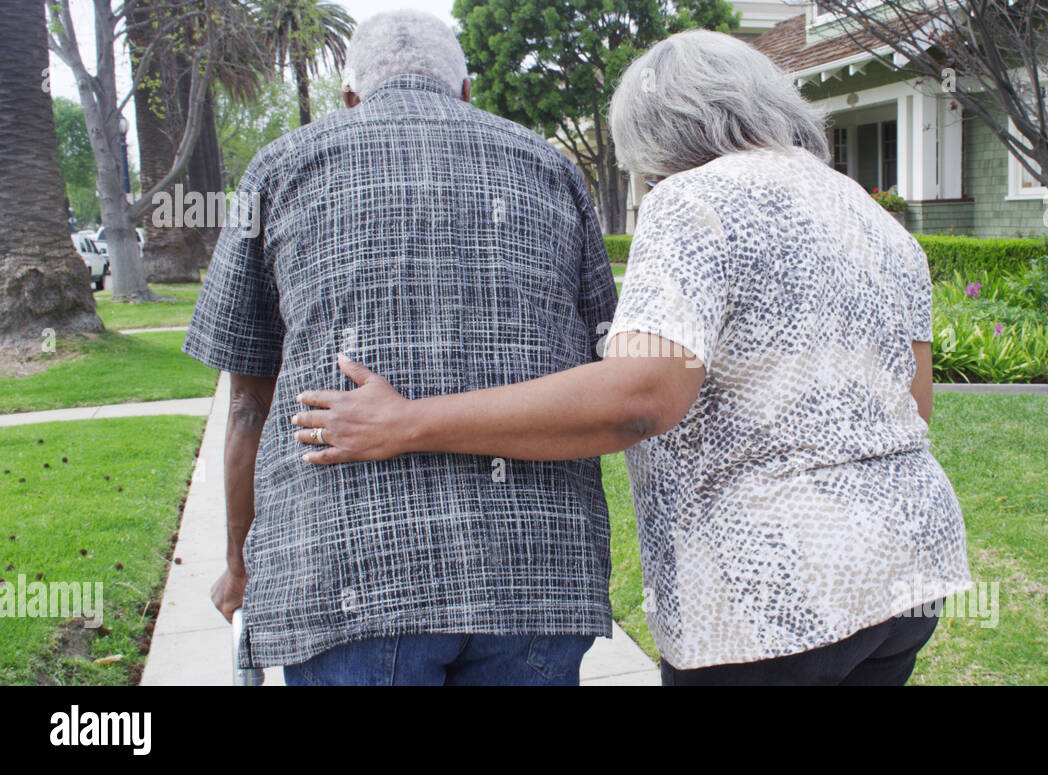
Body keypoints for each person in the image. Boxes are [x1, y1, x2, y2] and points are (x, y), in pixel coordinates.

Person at [290, 29, 972, 686]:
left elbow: (639, 400)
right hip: (908, 569)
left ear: (654, 132)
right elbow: (913, 403)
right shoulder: (875, 218)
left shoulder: (692, 199)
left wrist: (408, 421)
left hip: (773, 600)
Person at [182, 10, 617, 686]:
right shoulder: (554, 171)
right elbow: (605, 378)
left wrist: (239, 564)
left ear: (349, 96)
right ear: (466, 90)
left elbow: (247, 406)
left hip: (348, 582)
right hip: (537, 578)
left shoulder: (277, 169)